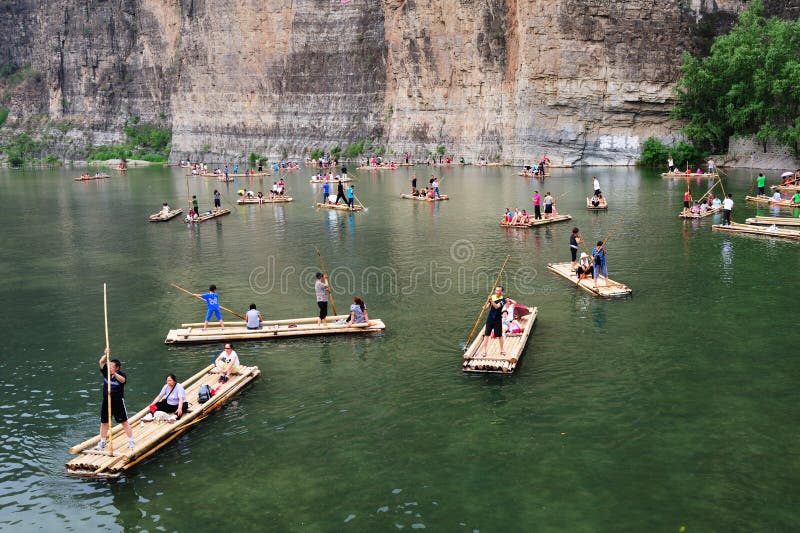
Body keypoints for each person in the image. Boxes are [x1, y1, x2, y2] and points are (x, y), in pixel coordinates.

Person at [95, 348, 135, 451]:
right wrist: (105, 354)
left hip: (118, 402)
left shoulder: (121, 375)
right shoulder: (105, 372)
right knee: (104, 422)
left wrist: (114, 374)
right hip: (106, 401)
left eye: (112, 366)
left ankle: (131, 441)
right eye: (110, 366)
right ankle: (103, 441)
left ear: (117, 368)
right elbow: (101, 362)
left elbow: (123, 381)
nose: (109, 367)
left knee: (124, 422)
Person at [478, 286, 516, 357]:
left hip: (498, 320)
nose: (496, 292)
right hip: (490, 319)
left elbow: (496, 306)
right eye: (496, 290)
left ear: (501, 292)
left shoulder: (503, 300)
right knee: (486, 335)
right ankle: (484, 350)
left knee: (499, 336)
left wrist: (491, 300)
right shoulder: (492, 297)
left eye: (498, 291)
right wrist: (484, 307)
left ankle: (502, 350)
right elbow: (487, 306)